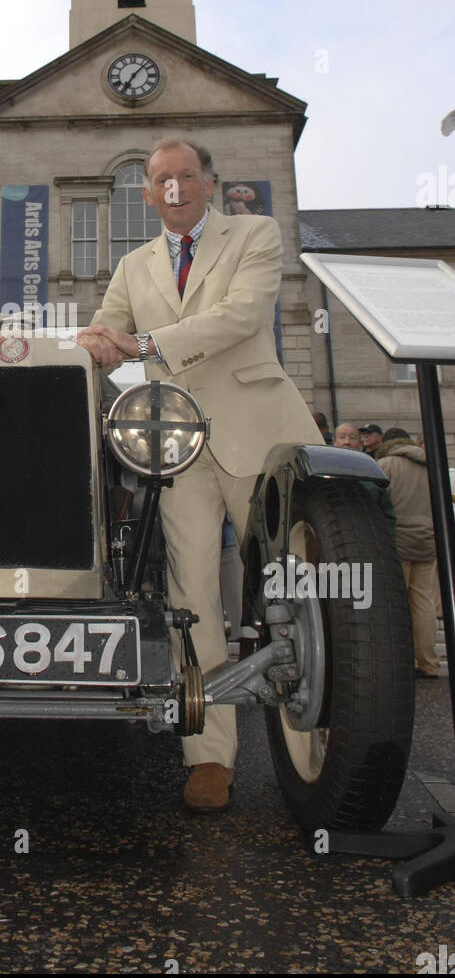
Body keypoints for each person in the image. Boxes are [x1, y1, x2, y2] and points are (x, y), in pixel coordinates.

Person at [78, 139, 321, 813]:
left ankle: (319, 726)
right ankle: (209, 755)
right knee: (192, 598)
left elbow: (242, 316)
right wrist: (86, 345)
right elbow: (106, 331)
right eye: (162, 180)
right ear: (148, 195)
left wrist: (146, 344)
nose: (175, 187)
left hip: (261, 434)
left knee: (295, 587)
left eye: (187, 175)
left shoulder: (255, 233)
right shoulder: (132, 265)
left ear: (209, 184)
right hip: (174, 447)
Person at [375, 428, 442, 678]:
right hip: (427, 540)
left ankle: (398, 662)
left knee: (396, 603)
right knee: (424, 602)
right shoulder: (429, 465)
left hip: (397, 540)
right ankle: (428, 662)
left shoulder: (385, 465)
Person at [333, 421, 396, 532]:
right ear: (335, 442)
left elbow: (387, 514)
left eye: (352, 438)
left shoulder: (372, 473)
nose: (347, 442)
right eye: (342, 437)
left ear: (360, 444)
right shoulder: (324, 473)